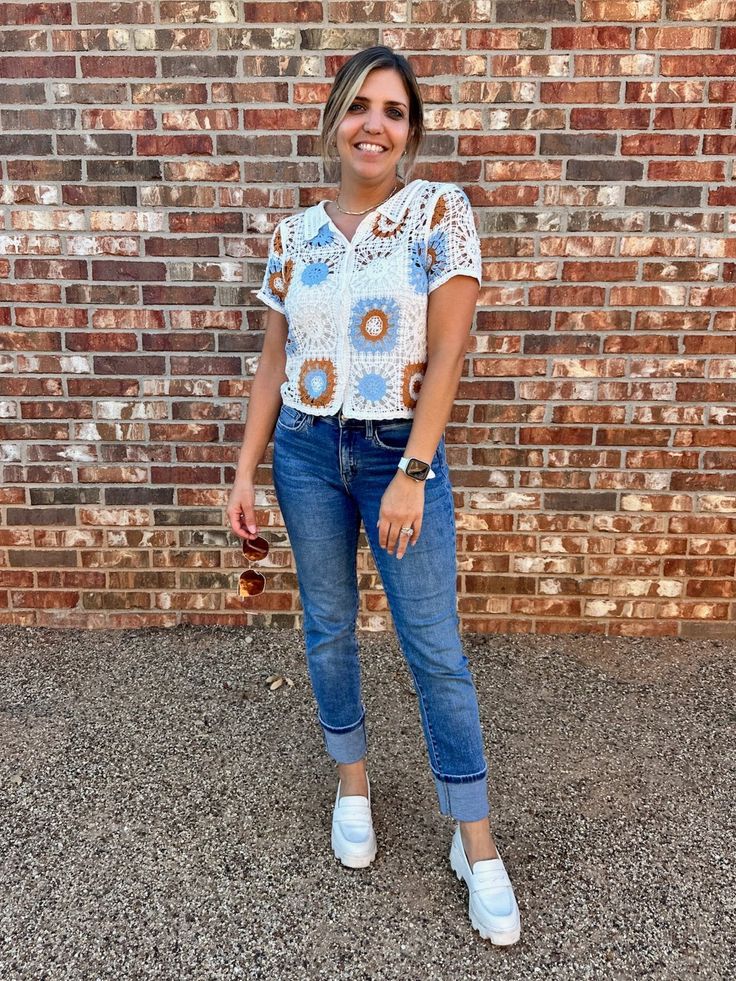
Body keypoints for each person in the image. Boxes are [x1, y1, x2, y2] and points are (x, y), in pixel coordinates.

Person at [228, 45, 521, 945]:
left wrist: (415, 471)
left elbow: (449, 356)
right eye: (360, 107)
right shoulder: (294, 235)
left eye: (393, 111)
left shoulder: (440, 214)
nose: (375, 125)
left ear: (410, 132)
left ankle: (475, 842)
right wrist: (244, 469)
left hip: (402, 453)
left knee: (434, 647)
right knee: (326, 625)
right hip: (308, 453)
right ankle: (352, 784)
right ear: (333, 121)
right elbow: (273, 364)